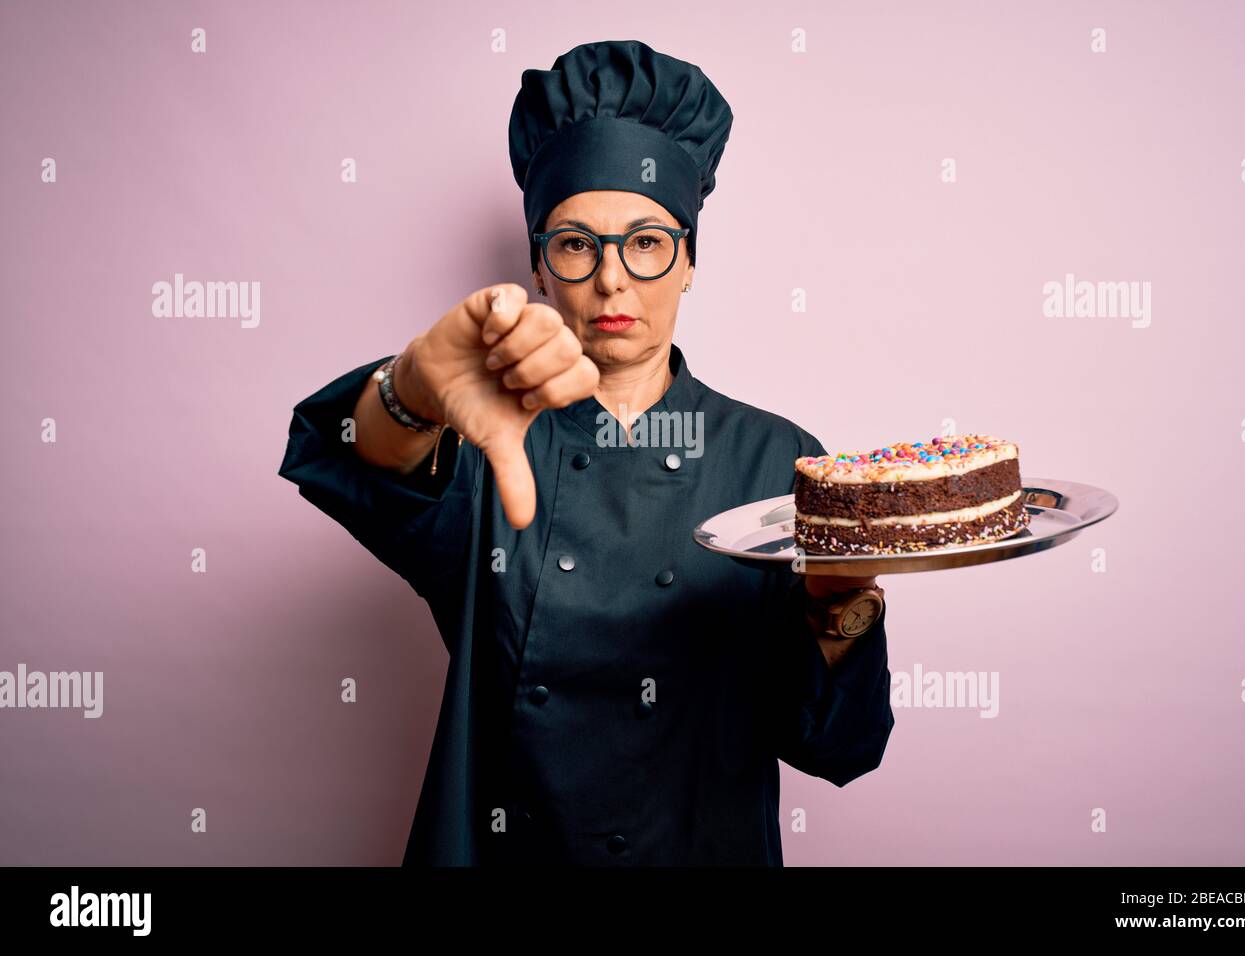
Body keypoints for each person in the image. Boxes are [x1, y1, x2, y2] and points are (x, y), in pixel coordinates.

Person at [277, 39, 893, 866]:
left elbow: (840, 748)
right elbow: (351, 449)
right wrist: (410, 390)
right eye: (576, 244)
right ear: (538, 265)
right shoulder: (487, 442)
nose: (612, 281)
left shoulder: (779, 460)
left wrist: (839, 605)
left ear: (689, 262)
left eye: (646, 242)